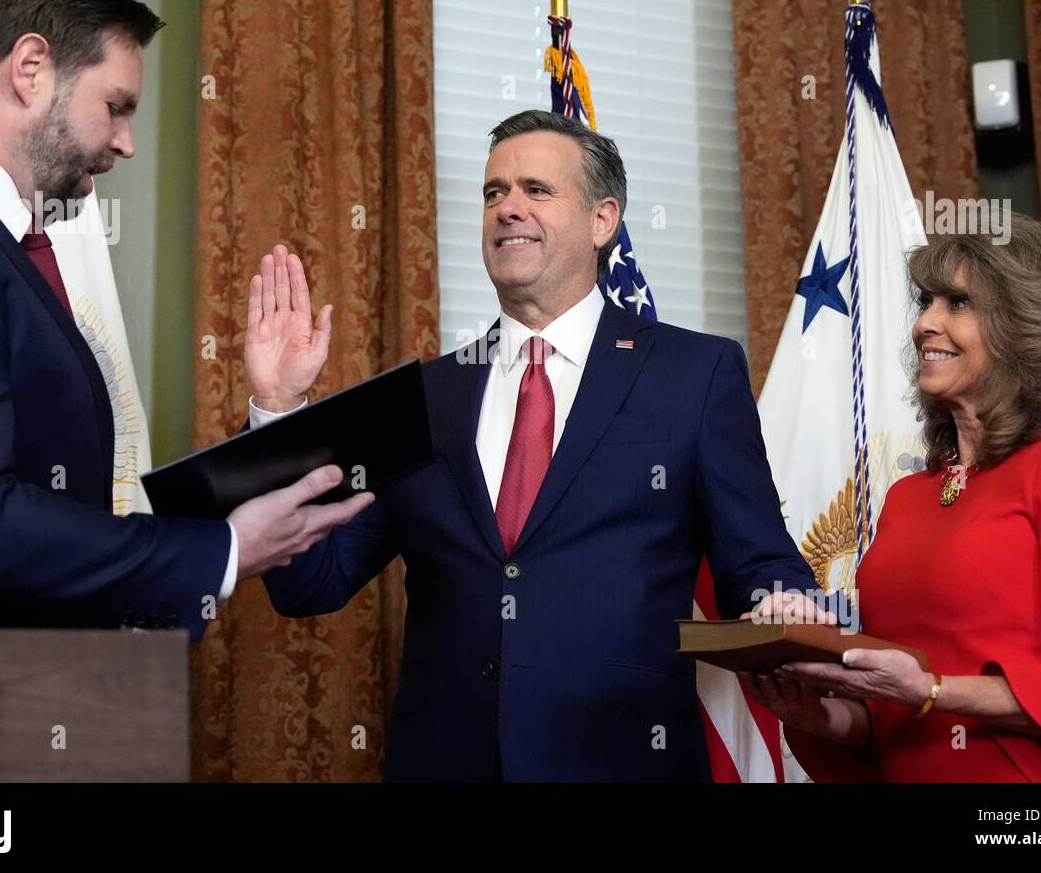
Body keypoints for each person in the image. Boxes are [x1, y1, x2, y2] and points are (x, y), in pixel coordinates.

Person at [262, 109, 828, 781]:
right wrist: (277, 409)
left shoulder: (694, 376)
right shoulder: (423, 397)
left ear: (602, 220)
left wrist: (782, 602)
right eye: (494, 193)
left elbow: (760, 565)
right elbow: (309, 582)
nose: (508, 208)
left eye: (537, 189)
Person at [0, 0, 371, 640]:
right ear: (30, 70)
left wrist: (266, 433)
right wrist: (223, 550)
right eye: (116, 107)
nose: (126, 143)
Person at [743, 218, 1041, 782]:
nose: (925, 323)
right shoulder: (908, 497)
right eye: (926, 302)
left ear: (1023, 328)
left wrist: (932, 690)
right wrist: (821, 717)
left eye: (958, 303)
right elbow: (895, 718)